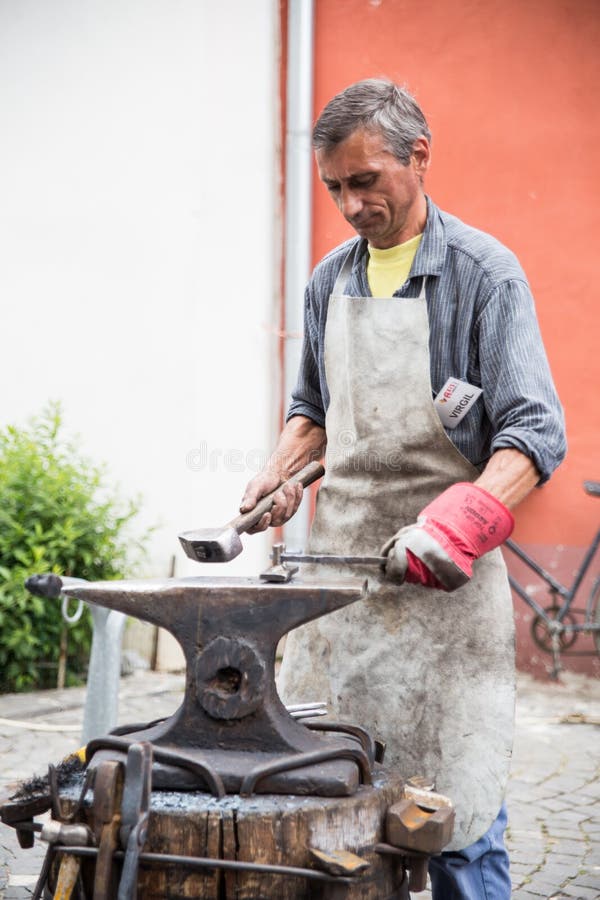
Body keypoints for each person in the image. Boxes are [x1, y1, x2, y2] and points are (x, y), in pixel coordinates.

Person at [240, 79, 566, 899]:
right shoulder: (329, 282)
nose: (350, 206)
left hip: (445, 605)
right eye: (335, 189)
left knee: (453, 829)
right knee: (334, 826)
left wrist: (454, 523)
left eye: (365, 182)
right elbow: (313, 411)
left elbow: (534, 433)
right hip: (340, 599)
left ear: (418, 157)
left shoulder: (486, 275)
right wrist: (279, 476)